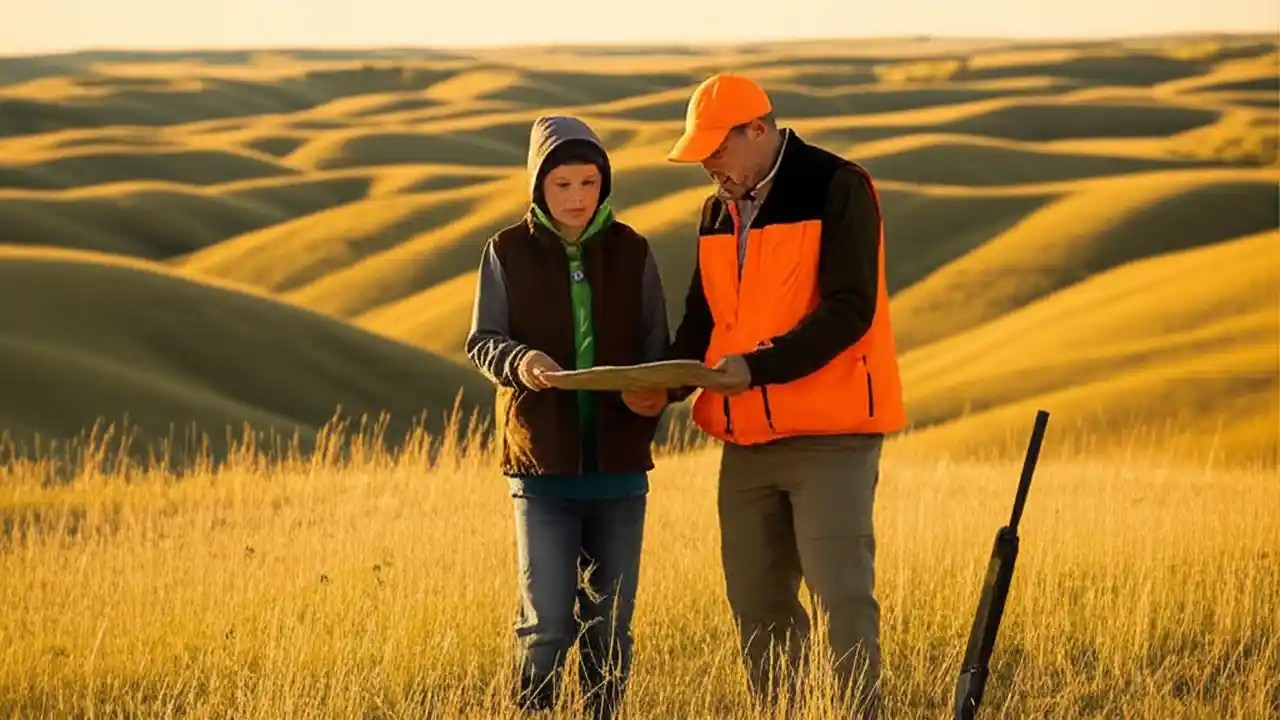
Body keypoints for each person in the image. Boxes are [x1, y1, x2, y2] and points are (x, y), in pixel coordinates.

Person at [662, 73, 907, 719]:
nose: (710, 164)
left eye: (718, 148)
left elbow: (851, 309)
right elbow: (702, 317)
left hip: (832, 436)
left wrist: (760, 367)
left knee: (842, 597)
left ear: (759, 130)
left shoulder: (837, 185)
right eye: (702, 154)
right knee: (756, 600)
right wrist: (665, 383)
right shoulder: (717, 210)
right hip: (745, 439)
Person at [465, 115, 671, 719]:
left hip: (620, 473)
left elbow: (656, 350)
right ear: (537, 186)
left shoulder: (633, 249)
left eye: (589, 183)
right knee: (547, 627)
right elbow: (483, 341)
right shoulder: (506, 250)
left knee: (609, 630)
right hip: (542, 473)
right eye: (563, 185)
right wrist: (519, 359)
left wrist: (657, 390)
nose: (578, 198)